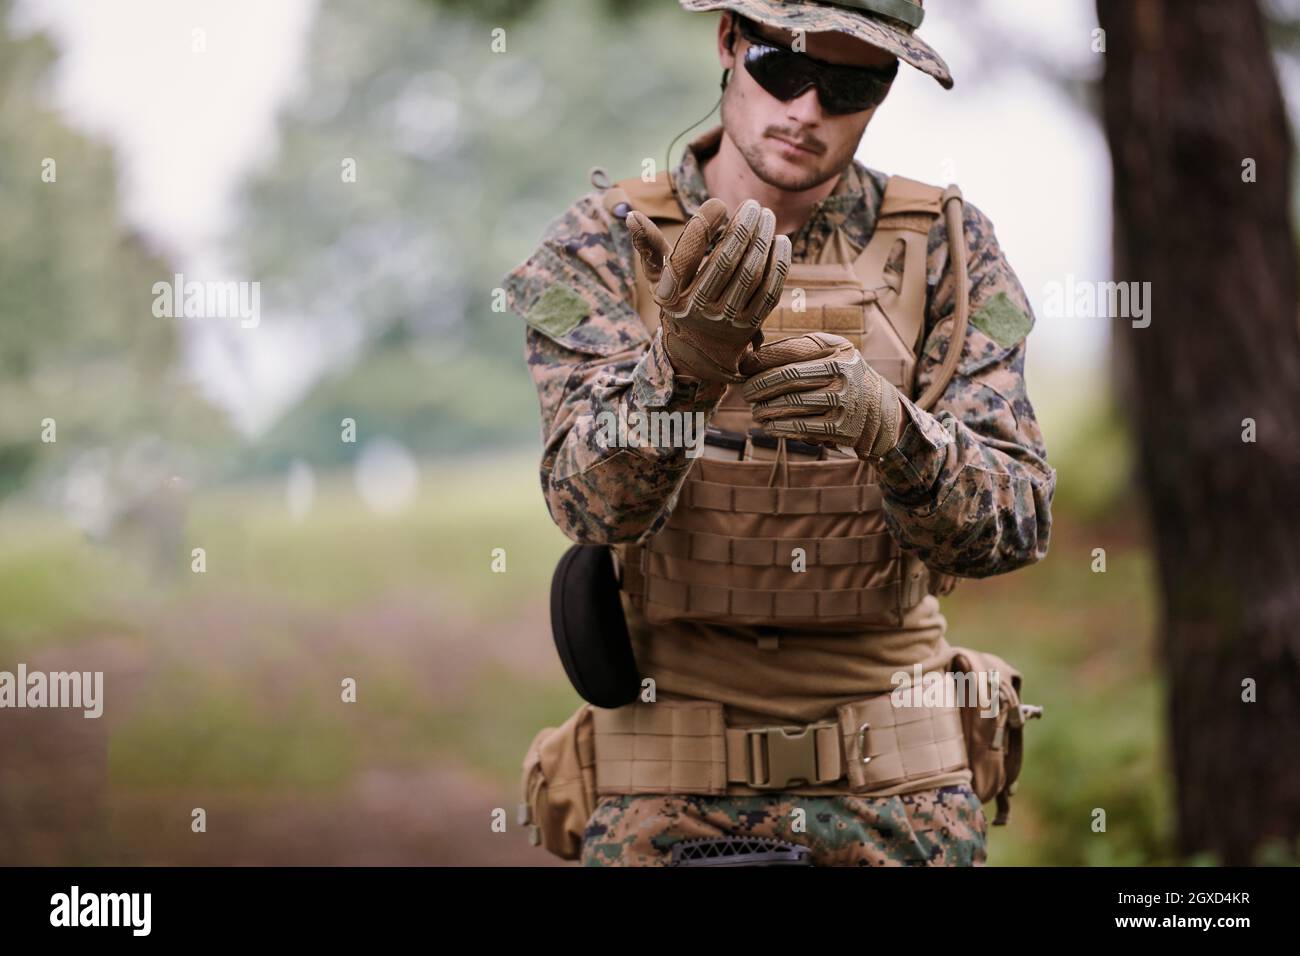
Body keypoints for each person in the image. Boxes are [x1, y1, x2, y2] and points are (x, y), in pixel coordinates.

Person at [503, 0, 1055, 867]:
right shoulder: (603, 244)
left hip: (899, 793)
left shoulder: (948, 246)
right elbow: (588, 505)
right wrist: (683, 368)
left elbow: (1017, 519)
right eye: (783, 66)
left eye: (846, 83)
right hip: (669, 790)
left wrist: (893, 432)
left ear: (884, 89)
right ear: (728, 41)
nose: (805, 109)